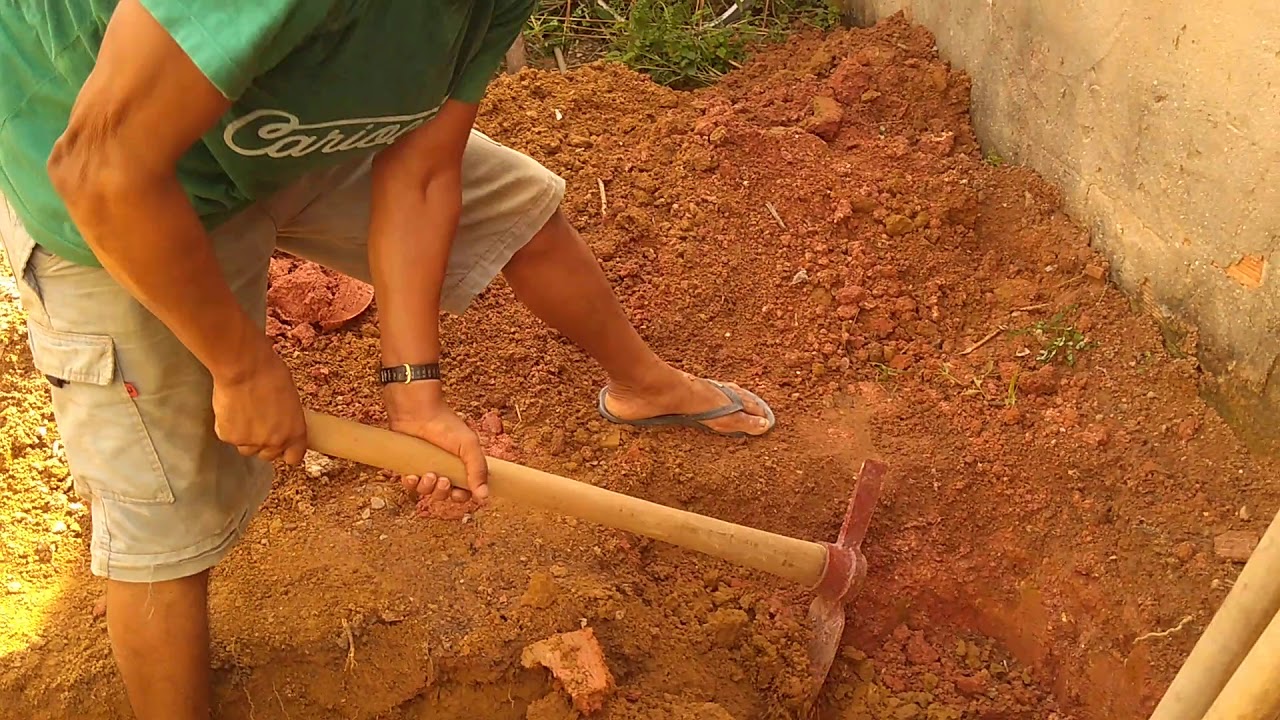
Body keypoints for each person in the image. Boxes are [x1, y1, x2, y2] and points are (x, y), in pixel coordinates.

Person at [0, 1, 776, 718]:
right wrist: (241, 369)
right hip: (111, 172)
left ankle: (646, 387)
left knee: (518, 209)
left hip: (282, 128)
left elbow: (426, 170)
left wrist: (415, 394)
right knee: (167, 516)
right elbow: (100, 169)